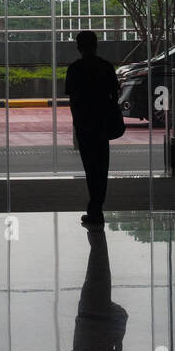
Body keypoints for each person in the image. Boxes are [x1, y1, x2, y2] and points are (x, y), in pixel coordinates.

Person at [65, 29, 119, 227]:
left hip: (84, 124)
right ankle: (97, 207)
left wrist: (78, 120)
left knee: (90, 168)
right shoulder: (105, 66)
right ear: (96, 45)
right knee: (102, 167)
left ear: (79, 47)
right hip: (102, 122)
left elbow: (72, 98)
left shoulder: (75, 68)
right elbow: (114, 95)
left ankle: (94, 208)